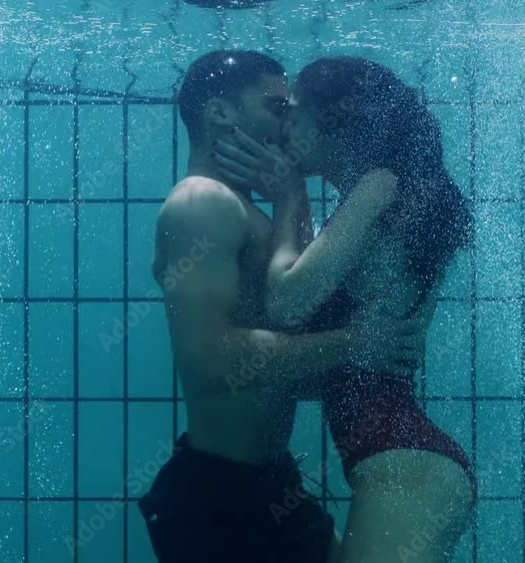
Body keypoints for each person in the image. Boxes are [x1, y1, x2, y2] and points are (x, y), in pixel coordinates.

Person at [139, 50, 429, 563]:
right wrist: (355, 344)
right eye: (276, 105)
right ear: (221, 113)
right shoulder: (201, 202)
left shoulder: (247, 210)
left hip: (264, 483)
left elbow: (279, 343)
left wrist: (293, 198)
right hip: (220, 501)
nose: (289, 121)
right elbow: (212, 361)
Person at [214, 56, 476, 563]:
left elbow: (289, 302)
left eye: (293, 112)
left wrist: (290, 195)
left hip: (406, 469)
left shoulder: (378, 185)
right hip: (405, 464)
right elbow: (338, 371)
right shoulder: (387, 195)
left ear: (334, 118)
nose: (283, 127)